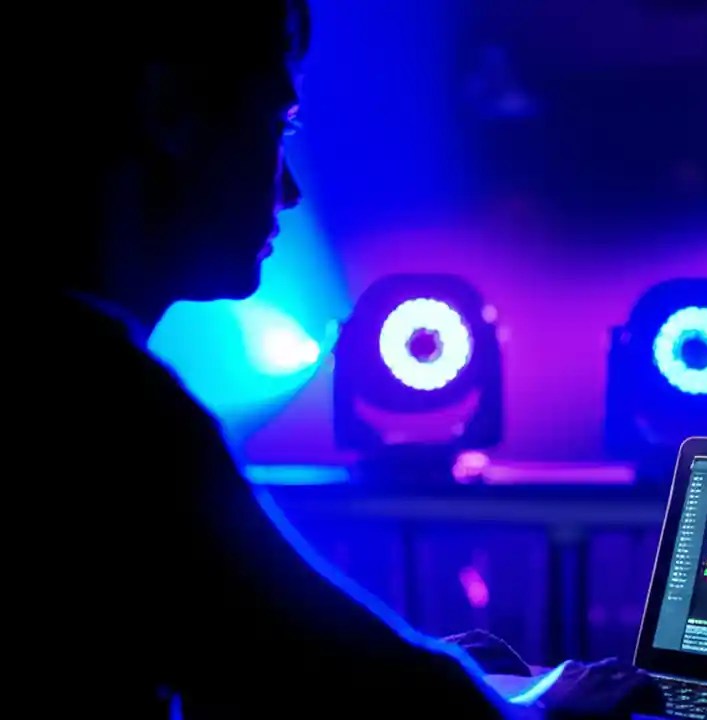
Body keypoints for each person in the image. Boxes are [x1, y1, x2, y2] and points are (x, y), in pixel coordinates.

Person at [27, 1, 663, 718]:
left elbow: (272, 657)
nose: (291, 190)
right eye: (278, 126)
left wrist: (420, 670)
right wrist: (542, 705)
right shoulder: (100, 409)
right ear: (169, 110)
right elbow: (326, 667)